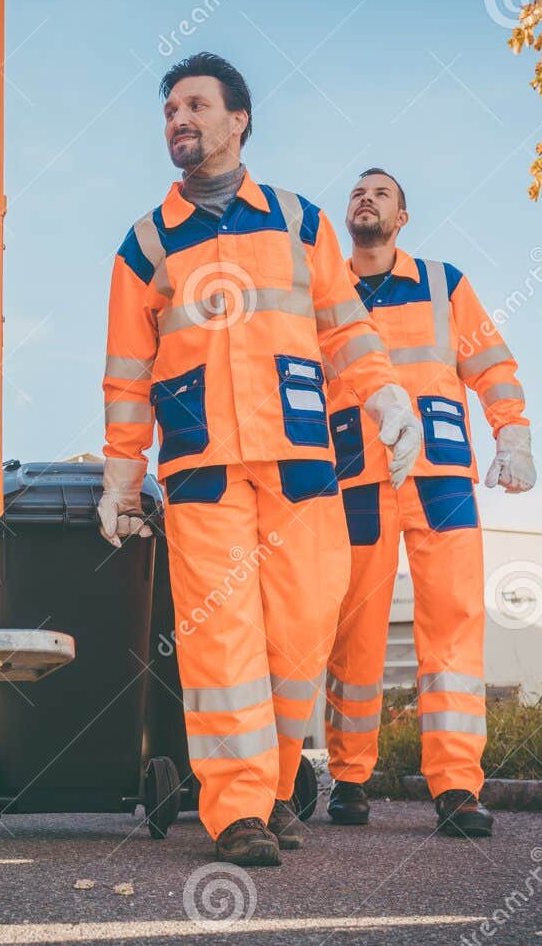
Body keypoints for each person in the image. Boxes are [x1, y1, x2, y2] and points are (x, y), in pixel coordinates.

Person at [99, 55, 422, 867]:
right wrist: (118, 480)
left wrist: (386, 396)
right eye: (170, 106)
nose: (178, 116)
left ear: (238, 120)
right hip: (203, 468)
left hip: (301, 462)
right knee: (223, 643)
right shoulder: (145, 245)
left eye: (196, 103)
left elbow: (347, 329)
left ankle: (276, 788)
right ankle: (237, 808)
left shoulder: (299, 220)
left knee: (301, 635)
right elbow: (127, 375)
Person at [322, 168, 535, 838]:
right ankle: (350, 776)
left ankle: (457, 788)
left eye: (382, 192)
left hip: (440, 474)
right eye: (358, 191)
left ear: (403, 217)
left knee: (453, 624)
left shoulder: (445, 284)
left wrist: (514, 434)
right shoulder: (323, 293)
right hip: (354, 473)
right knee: (353, 630)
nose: (367, 199)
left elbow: (492, 366)